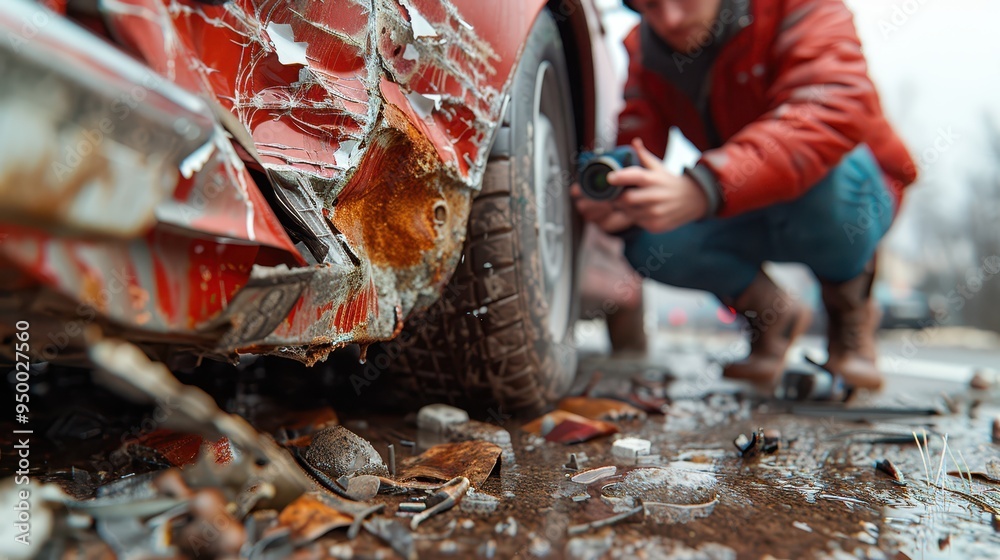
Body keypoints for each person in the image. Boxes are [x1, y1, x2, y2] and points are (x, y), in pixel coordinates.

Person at [573, 0, 917, 389]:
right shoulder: (646, 51)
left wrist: (704, 188)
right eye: (649, 5)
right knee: (648, 241)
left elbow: (835, 106)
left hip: (844, 188)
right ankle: (771, 315)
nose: (668, 19)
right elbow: (638, 141)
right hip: (742, 199)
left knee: (828, 165)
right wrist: (622, 198)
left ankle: (849, 320)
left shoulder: (799, 6)